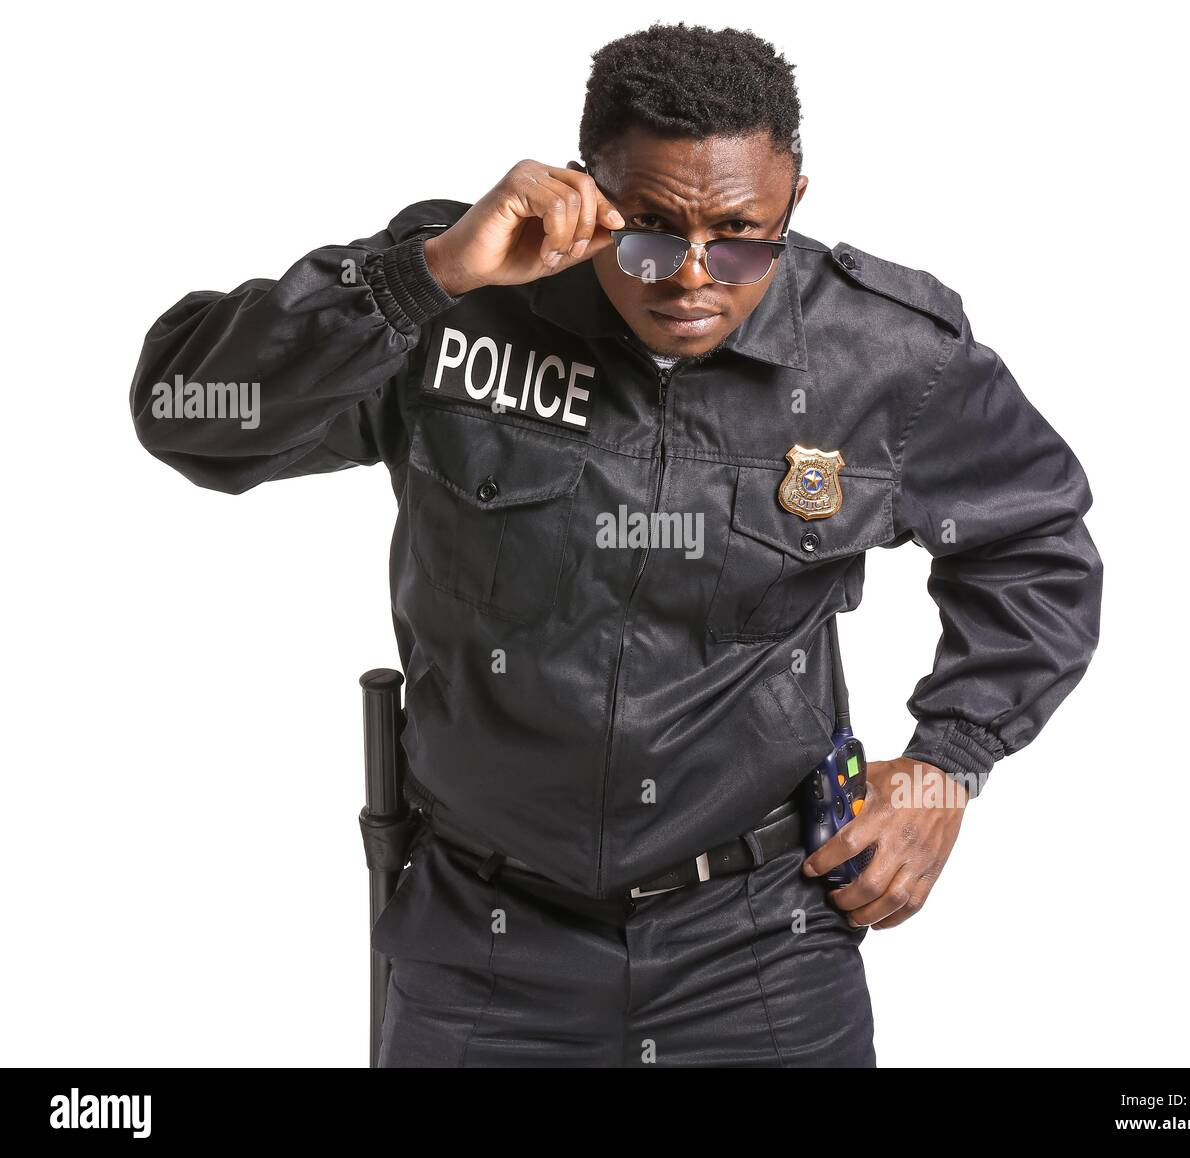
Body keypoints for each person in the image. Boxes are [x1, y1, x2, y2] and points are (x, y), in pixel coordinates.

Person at [129, 22, 1102, 1067]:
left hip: (761, 945)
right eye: (648, 231)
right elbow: (187, 411)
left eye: (738, 236)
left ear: (793, 204)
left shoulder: (887, 358)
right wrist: (422, 278)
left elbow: (1034, 545)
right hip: (480, 945)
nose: (691, 278)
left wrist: (945, 765)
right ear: (586, 187)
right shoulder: (463, 302)